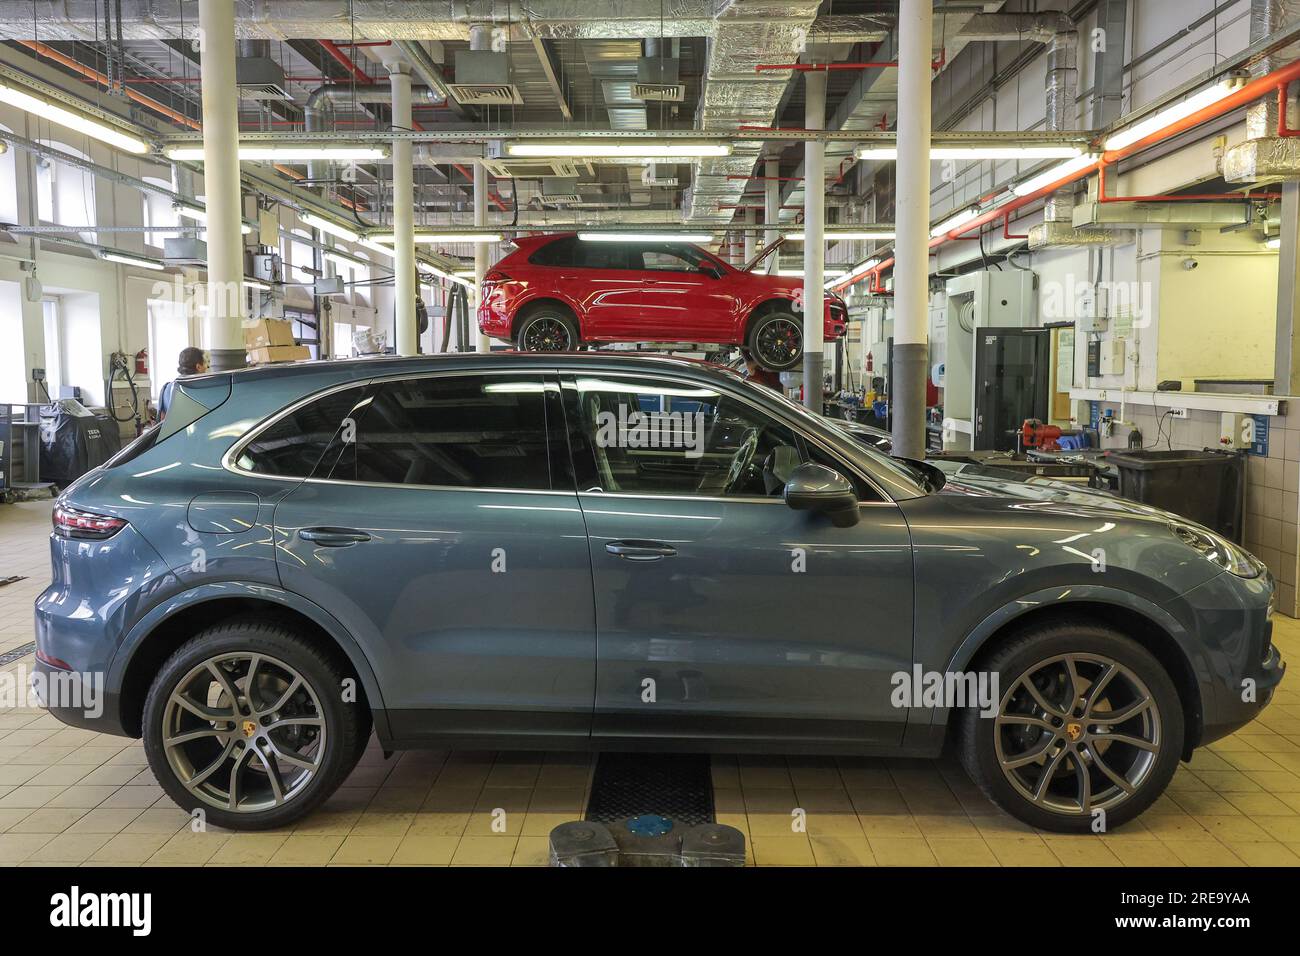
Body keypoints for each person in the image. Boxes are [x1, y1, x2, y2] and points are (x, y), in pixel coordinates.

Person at [158, 347, 208, 419]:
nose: (206, 368)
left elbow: (162, 421)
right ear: (198, 367)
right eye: (204, 364)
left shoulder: (166, 388)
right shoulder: (202, 391)